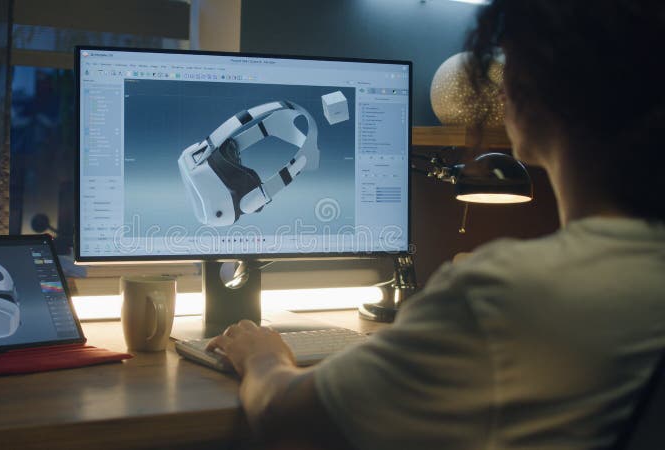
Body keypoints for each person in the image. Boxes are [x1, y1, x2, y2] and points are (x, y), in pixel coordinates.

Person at [207, 0, 665, 448]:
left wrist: (264, 356)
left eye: (511, 63)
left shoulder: (500, 292)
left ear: (547, 89)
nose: (501, 87)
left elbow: (282, 416)